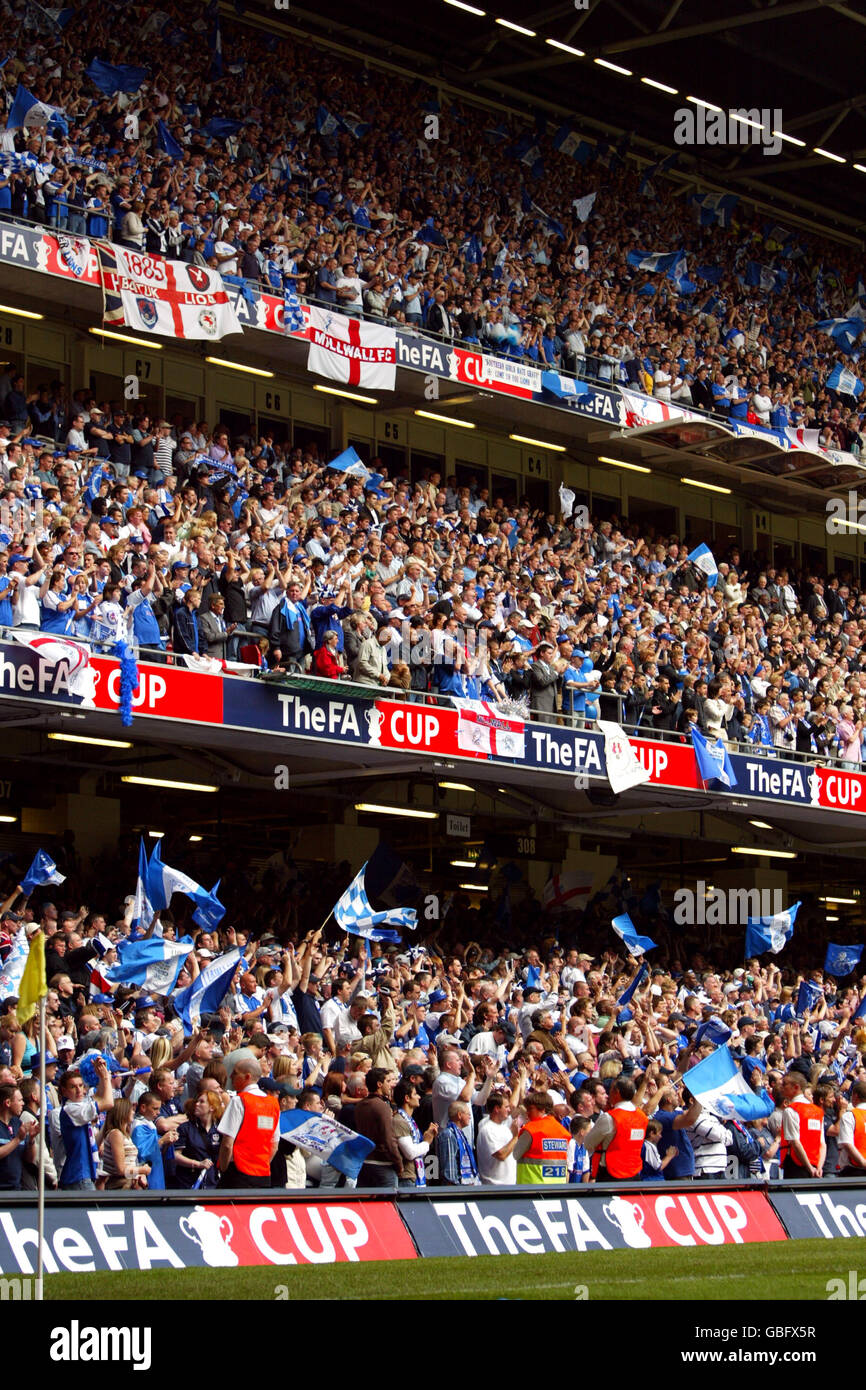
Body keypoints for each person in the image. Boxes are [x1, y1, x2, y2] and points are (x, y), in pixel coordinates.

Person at [217, 1057, 280, 1188]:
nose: (231, 1076)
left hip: (238, 1174)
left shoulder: (239, 1101)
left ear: (247, 1076)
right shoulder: (273, 1104)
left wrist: (223, 1169)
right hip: (263, 1176)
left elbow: (227, 1143)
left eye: (235, 1073)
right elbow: (274, 1145)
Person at [56, 1060, 113, 1191]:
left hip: (83, 1174)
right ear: (64, 1091)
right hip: (78, 1175)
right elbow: (108, 1103)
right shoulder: (70, 1109)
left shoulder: (78, 1105)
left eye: (81, 1085)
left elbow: (99, 1096)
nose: (79, 1090)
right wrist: (105, 1077)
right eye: (73, 1087)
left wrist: (101, 1074)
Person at [584, 1077, 648, 1182]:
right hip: (635, 1173)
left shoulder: (610, 1117)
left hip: (611, 1174)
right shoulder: (642, 1117)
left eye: (610, 1089)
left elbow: (588, 1143)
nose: (608, 1094)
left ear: (616, 1092)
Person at [352, 1066, 402, 1189]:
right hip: (383, 1165)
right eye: (388, 1082)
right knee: (388, 1204)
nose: (390, 1085)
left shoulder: (360, 1105)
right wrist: (399, 1162)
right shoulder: (382, 1107)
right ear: (379, 1084)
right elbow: (388, 1138)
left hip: (364, 1164)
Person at [512, 1089, 569, 1184]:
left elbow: (515, 1154)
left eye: (530, 1109)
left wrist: (514, 1136)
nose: (527, 1113)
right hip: (557, 1187)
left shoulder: (531, 1129)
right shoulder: (563, 1131)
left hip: (532, 1187)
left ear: (542, 1109)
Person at [779, 1069, 826, 1179]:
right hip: (815, 1165)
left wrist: (810, 1169)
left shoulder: (791, 1110)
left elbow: (796, 1143)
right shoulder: (818, 1111)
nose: (781, 1087)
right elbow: (822, 1144)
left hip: (796, 1166)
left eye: (785, 1084)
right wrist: (819, 1167)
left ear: (796, 1087)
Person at [392, 1077, 436, 1187]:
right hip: (406, 1178)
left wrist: (427, 1136)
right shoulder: (399, 1121)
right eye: (415, 1094)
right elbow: (410, 1153)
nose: (419, 1097)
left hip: (415, 1176)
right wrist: (427, 1142)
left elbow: (418, 1151)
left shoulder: (410, 1121)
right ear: (407, 1098)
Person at [174, 1090, 224, 1188]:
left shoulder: (220, 1129)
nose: (196, 1104)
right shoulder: (185, 1128)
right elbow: (176, 1156)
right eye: (197, 1101)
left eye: (202, 1102)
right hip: (189, 1182)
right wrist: (198, 1164)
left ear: (212, 1107)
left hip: (212, 1182)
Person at [102, 1099, 150, 1189]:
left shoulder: (125, 1134)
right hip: (120, 1186)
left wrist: (139, 1174)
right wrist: (141, 1170)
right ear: (123, 1112)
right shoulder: (116, 1134)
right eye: (131, 1110)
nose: (133, 1112)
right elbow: (121, 1170)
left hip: (130, 1184)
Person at [477, 1090, 520, 1185]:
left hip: (510, 1185)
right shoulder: (487, 1129)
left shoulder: (505, 1129)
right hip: (494, 1188)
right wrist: (515, 1137)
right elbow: (501, 1155)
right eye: (506, 1107)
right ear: (497, 1109)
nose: (509, 1110)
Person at [435, 1100, 480, 1186]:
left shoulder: (461, 1134)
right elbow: (449, 1172)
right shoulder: (448, 1135)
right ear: (459, 1115)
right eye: (468, 1114)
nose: (470, 1117)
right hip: (456, 1191)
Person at [0, 1084, 36, 1190]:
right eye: (20, 1100)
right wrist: (17, 1139)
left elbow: (29, 1159)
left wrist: (31, 1139)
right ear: (7, 1103)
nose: (23, 1103)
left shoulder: (17, 1123)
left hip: (16, 1188)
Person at [836, 1079, 866, 1177]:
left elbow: (847, 1144)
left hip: (853, 1171)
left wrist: (863, 1163)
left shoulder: (850, 1115)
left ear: (855, 1096)